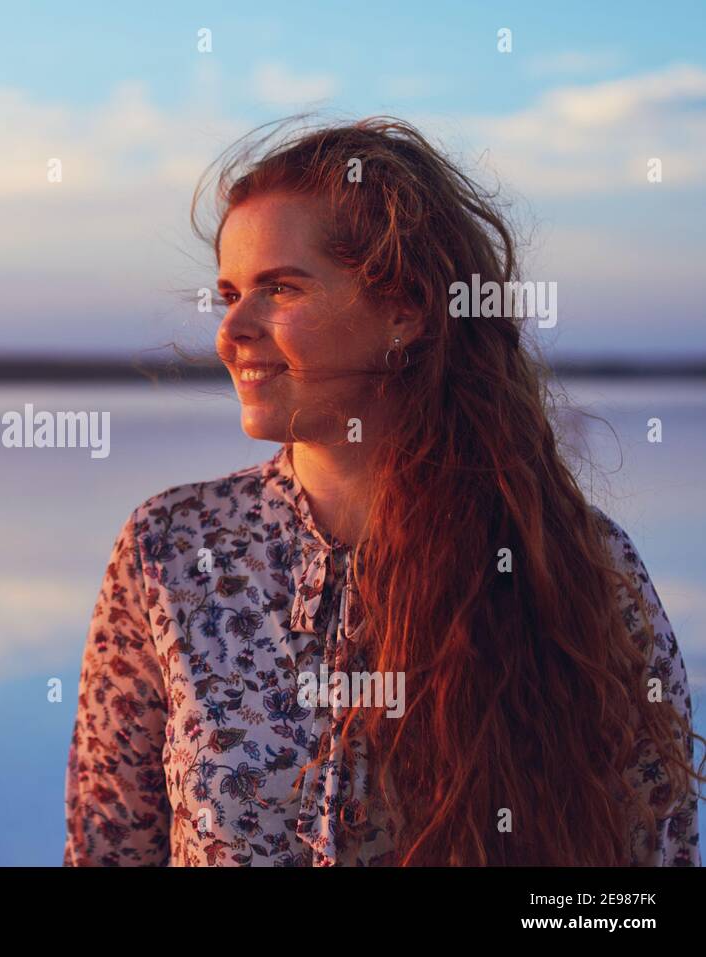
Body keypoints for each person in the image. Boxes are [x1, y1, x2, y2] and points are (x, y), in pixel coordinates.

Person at [63, 117, 704, 866]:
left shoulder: (571, 562)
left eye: (281, 288)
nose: (231, 329)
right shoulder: (170, 552)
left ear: (405, 309)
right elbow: (108, 851)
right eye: (229, 293)